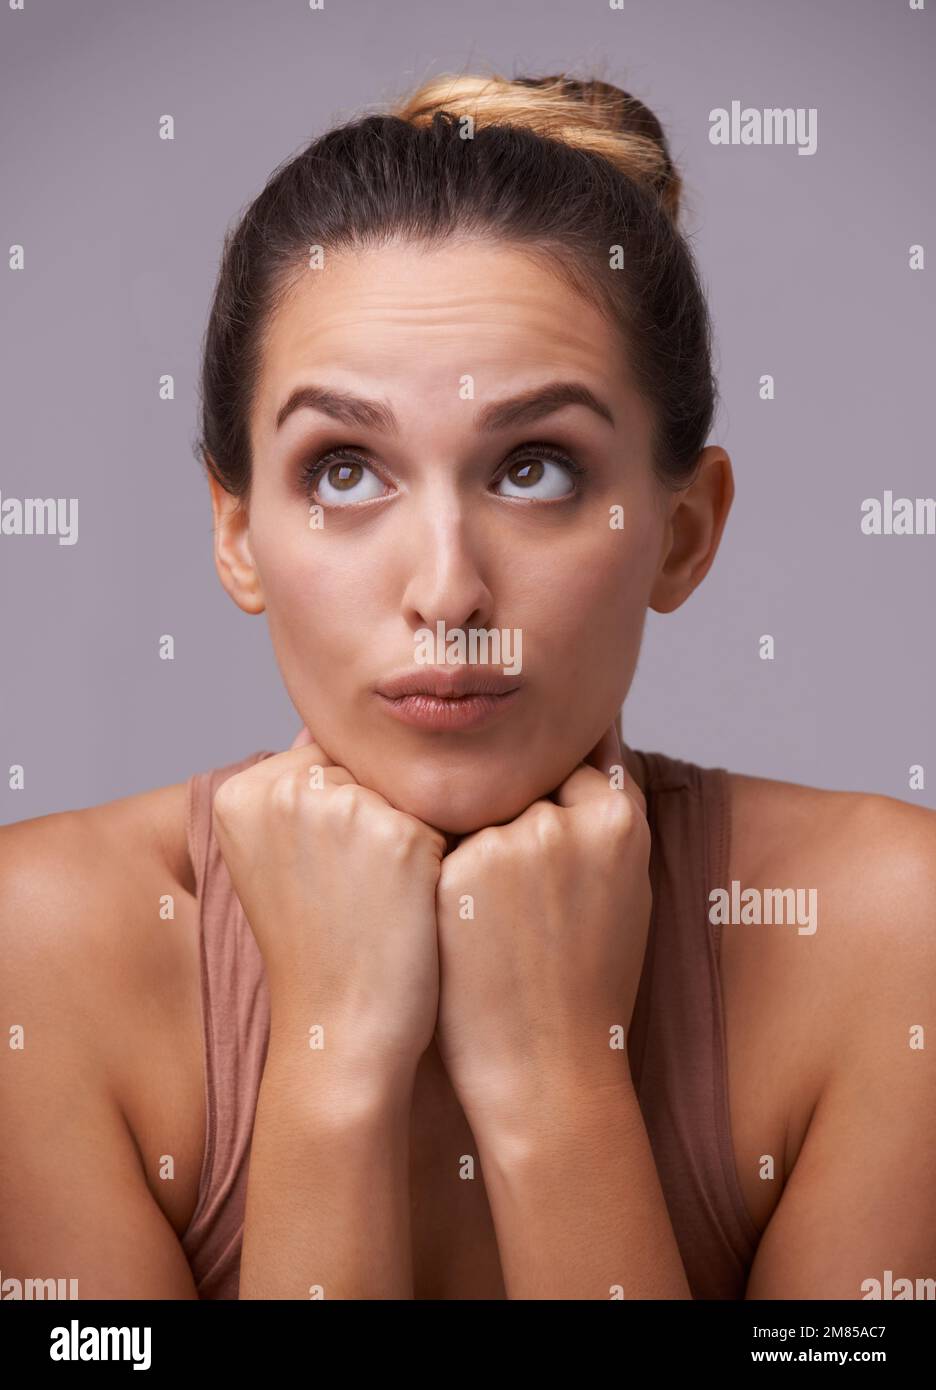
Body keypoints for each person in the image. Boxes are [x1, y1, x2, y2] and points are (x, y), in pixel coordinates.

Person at [2, 71, 934, 1302]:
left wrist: (555, 1080)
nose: (447, 591)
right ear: (238, 534)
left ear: (681, 530)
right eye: (344, 471)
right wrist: (331, 1065)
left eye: (537, 469)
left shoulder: (888, 935)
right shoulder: (42, 947)